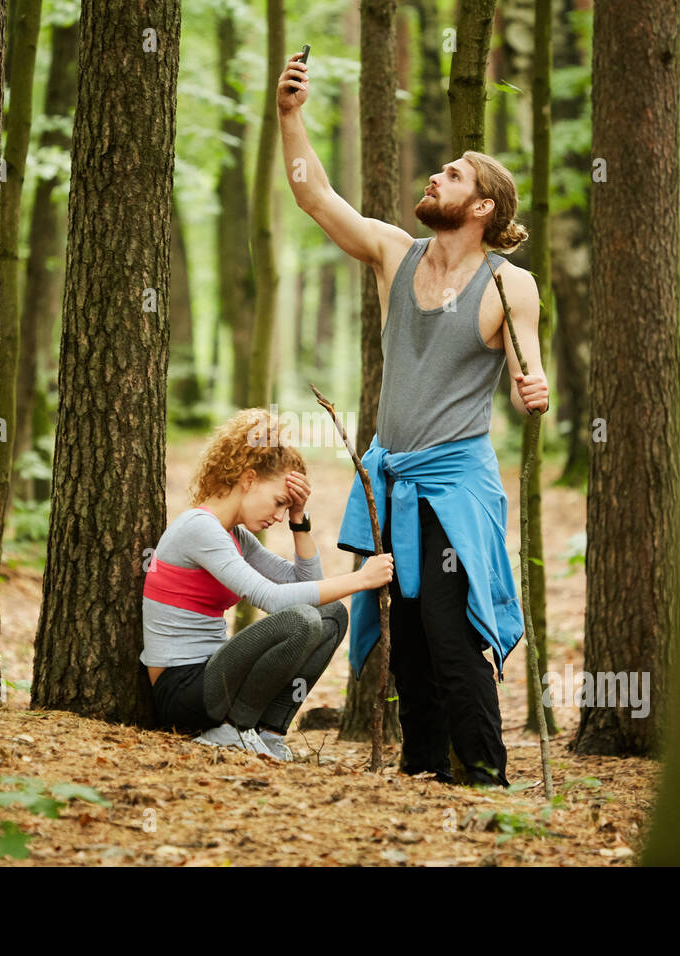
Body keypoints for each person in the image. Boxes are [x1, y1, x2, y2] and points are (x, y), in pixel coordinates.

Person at [276, 50, 550, 786]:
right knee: (409, 634)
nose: (436, 176)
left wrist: (537, 391)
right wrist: (289, 117)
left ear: (484, 205)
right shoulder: (396, 254)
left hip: (456, 484)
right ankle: (423, 767)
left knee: (449, 629)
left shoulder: (509, 283)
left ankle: (488, 774)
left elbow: (531, 369)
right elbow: (316, 198)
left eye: (454, 174)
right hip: (391, 480)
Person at [142, 407, 395, 760]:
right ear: (248, 480)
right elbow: (274, 599)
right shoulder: (199, 528)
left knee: (332, 616)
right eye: (278, 502)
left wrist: (298, 520)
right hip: (182, 692)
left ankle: (270, 733)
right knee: (299, 620)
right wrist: (360, 579)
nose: (277, 516)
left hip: (215, 679)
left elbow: (309, 588)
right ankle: (234, 730)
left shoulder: (237, 538)